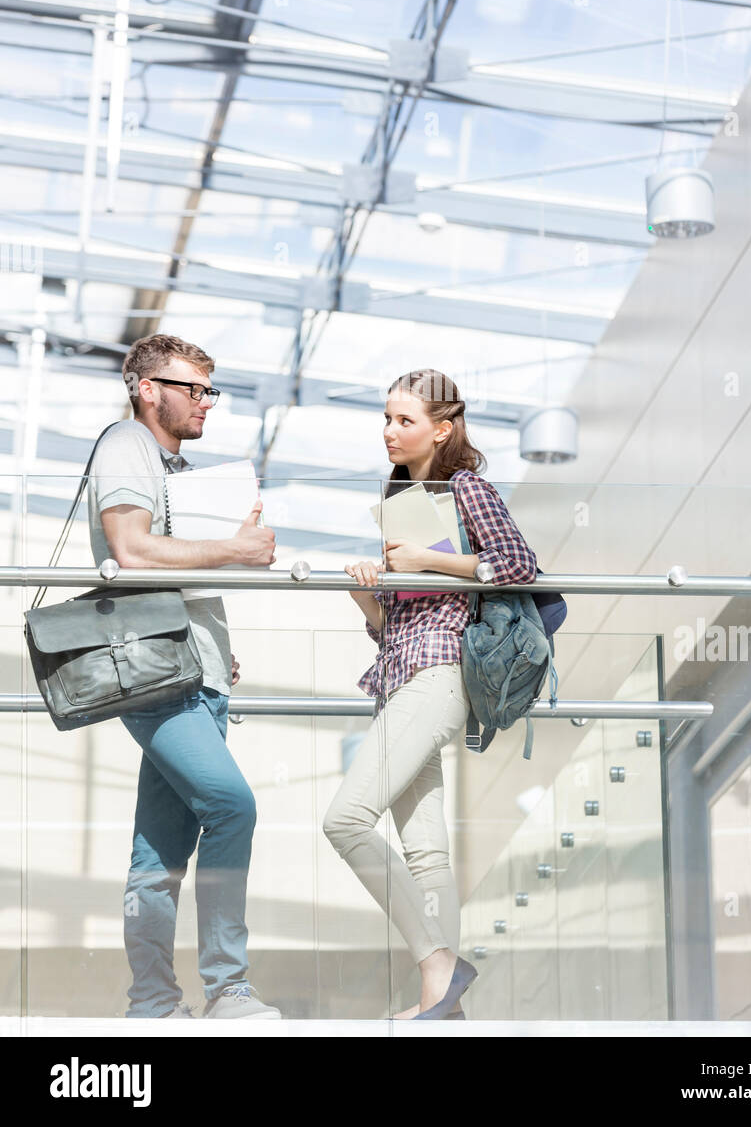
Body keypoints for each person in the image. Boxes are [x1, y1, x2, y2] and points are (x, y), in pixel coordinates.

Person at [323, 369, 537, 1019]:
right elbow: (393, 625)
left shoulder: (465, 486)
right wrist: (368, 585)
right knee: (424, 849)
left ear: (442, 428)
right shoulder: (400, 499)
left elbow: (518, 563)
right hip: (399, 678)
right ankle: (442, 1003)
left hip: (441, 674)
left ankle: (438, 963)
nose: (390, 432)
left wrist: (424, 559)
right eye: (386, 419)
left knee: (346, 819)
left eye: (405, 420)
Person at [87, 333, 280, 1020]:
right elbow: (131, 550)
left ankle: (153, 1004)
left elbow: (168, 563)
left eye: (209, 390)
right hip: (153, 671)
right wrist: (235, 547)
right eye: (191, 388)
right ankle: (228, 987)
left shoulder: (174, 465)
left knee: (159, 849)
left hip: (192, 670)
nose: (205, 402)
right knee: (232, 806)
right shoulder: (126, 445)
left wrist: (211, 645)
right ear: (147, 389)